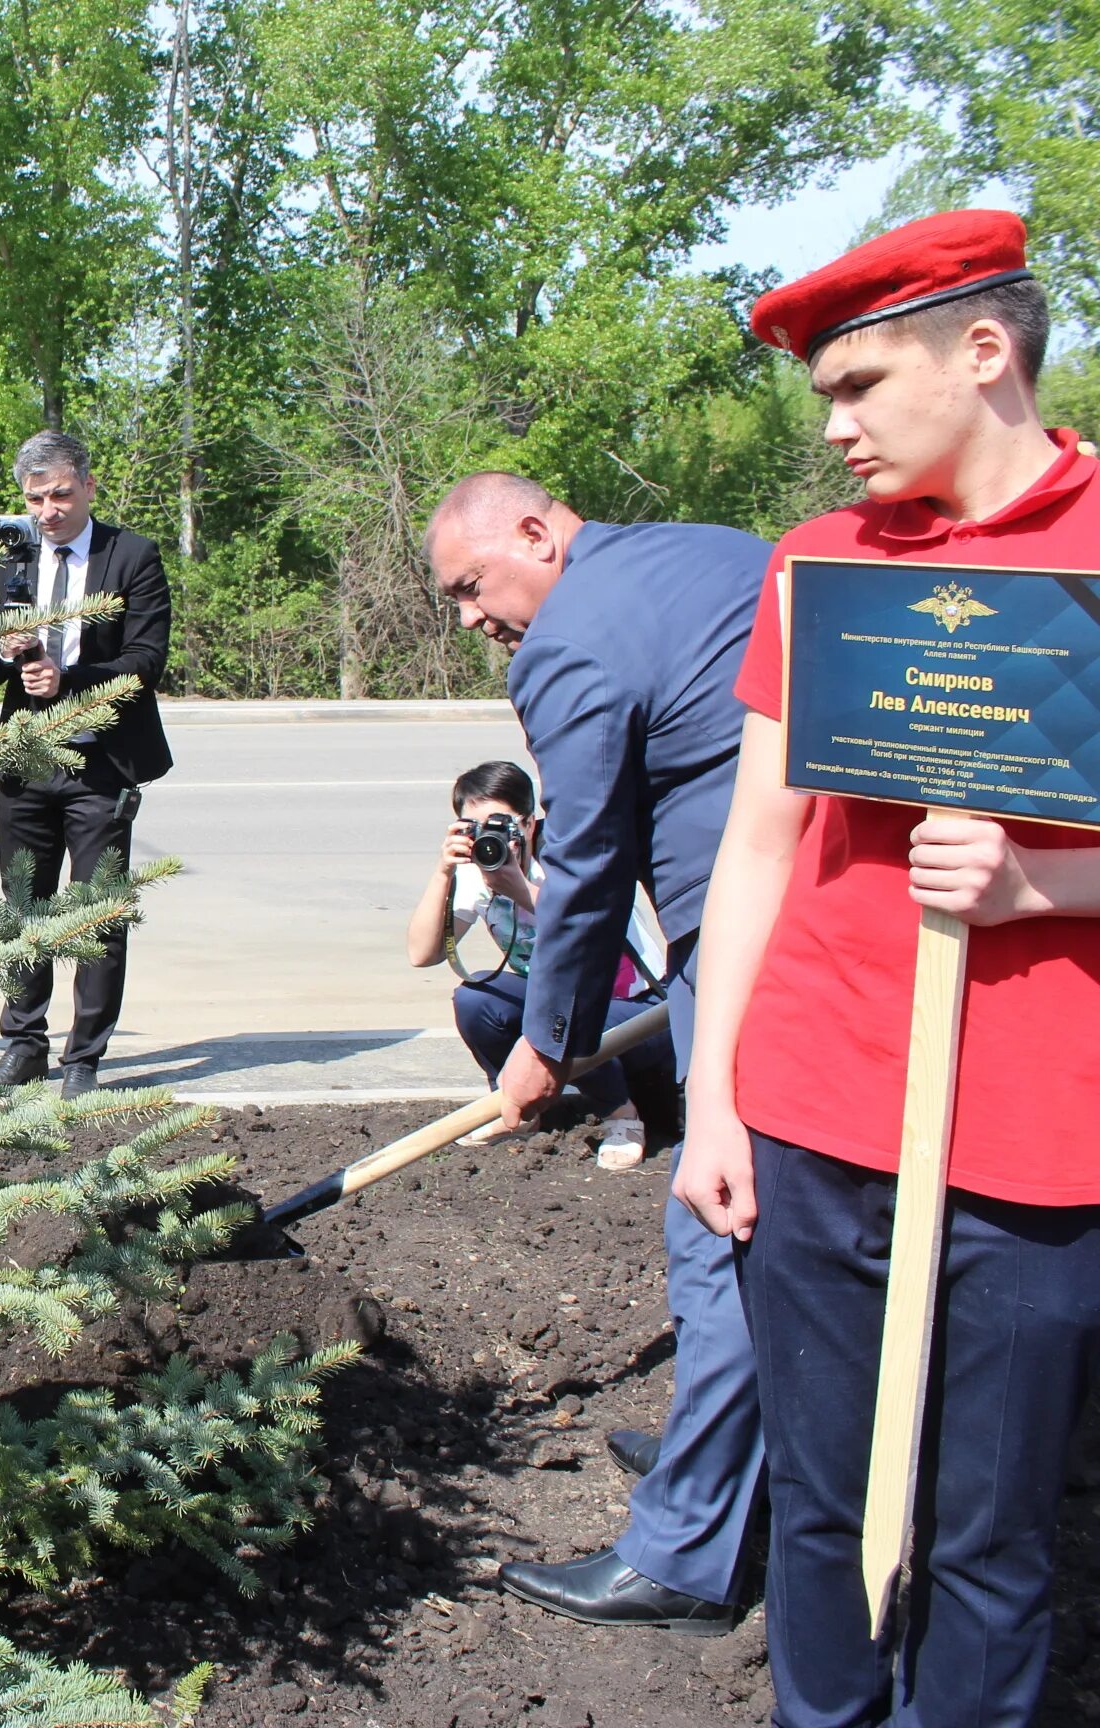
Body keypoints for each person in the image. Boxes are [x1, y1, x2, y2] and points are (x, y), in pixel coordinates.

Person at [675, 210, 1100, 1725]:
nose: (837, 426)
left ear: (984, 352)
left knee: (986, 1538)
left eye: (860, 384)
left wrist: (1043, 882)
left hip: (1043, 1145)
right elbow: (757, 851)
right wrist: (715, 1104)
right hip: (817, 1109)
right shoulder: (823, 566)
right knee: (823, 1506)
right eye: (826, 399)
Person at [425, 471, 765, 1633]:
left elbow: (585, 868)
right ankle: (711, 1465)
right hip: (824, 922)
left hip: (751, 940)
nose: (473, 618)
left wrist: (547, 1044)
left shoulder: (566, 645)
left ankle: (686, 1555)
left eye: (473, 587)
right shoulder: (712, 548)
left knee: (718, 1219)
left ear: (536, 531)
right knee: (778, 1227)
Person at [0, 430, 172, 1100]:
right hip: (26, 760)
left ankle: (83, 1059)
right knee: (23, 907)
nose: (49, 510)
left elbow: (147, 661)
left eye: (60, 494)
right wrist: (6, 651)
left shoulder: (132, 556)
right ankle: (22, 1045)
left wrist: (70, 677)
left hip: (102, 763)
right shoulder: (7, 559)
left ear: (87, 485)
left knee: (95, 917)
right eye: (36, 499)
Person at [404, 760, 673, 1167]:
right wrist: (444, 872)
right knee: (477, 998)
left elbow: (589, 935)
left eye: (500, 824)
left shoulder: (571, 861)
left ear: (529, 823)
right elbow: (422, 954)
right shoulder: (478, 874)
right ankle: (512, 1107)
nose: (488, 838)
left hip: (641, 1015)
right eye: (473, 828)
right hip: (562, 1008)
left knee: (560, 1011)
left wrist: (519, 888)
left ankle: (622, 1115)